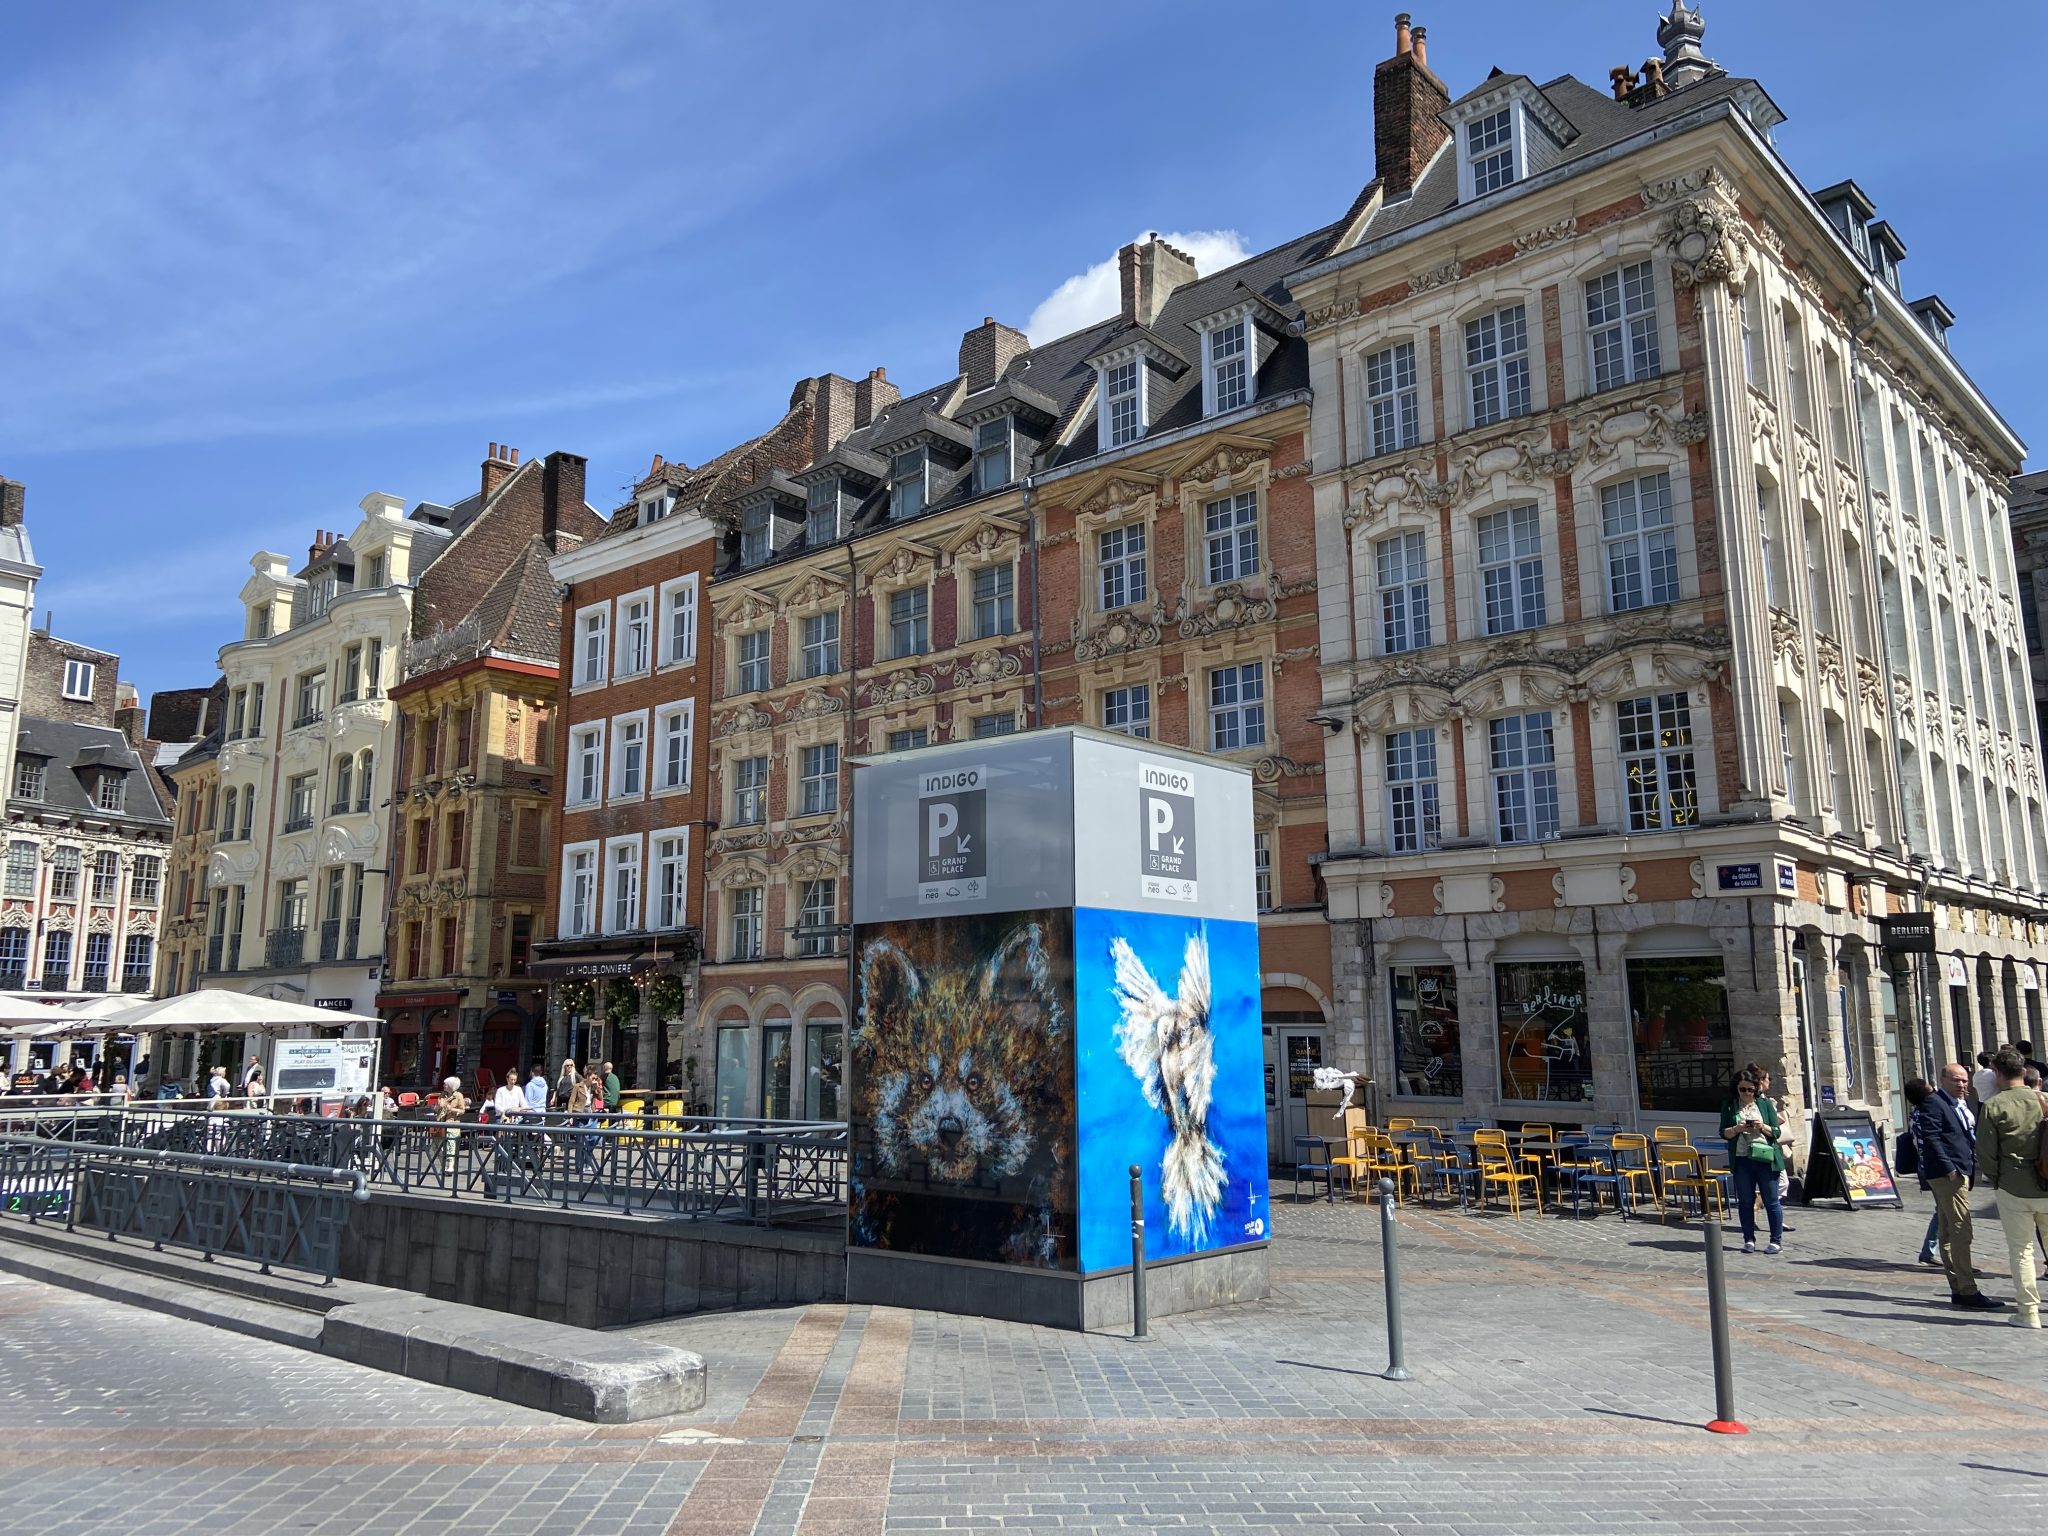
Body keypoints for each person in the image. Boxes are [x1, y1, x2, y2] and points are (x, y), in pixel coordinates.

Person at [1912, 1064, 2003, 1310]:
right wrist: (1950, 1169)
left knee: (1948, 1231)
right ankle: (1967, 1288)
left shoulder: (1956, 1103)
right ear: (1943, 1080)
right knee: (1961, 1229)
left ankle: (1959, 1287)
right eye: (1956, 1080)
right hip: (1949, 1176)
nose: (1962, 1084)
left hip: (1960, 1171)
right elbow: (1930, 1138)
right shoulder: (1934, 1103)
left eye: (1964, 1080)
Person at [1977, 1049, 2048, 1330]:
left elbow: (1985, 1152)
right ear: (2024, 1070)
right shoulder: (2043, 1099)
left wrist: (1997, 1178)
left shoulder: (1994, 1106)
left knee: (2021, 1251)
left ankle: (2028, 1313)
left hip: (2013, 1185)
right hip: (2046, 1183)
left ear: (1997, 1073)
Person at [1721, 1071, 1786, 1254]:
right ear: (1736, 1088)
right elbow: (1723, 1132)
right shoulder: (1730, 1105)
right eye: (1742, 1089)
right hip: (1742, 1159)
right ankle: (1748, 1240)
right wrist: (1737, 1128)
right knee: (1745, 1202)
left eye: (1751, 1089)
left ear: (1756, 1089)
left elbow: (1776, 1132)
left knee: (1771, 1201)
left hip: (1765, 1159)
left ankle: (1776, 1241)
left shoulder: (1765, 1104)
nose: (1747, 1093)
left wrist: (1761, 1126)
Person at [1903, 1079, 1944, 1266]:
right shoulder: (1926, 1113)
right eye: (1932, 1091)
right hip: (1933, 1167)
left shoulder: (1916, 1113)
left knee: (1942, 1209)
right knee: (1944, 1210)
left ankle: (1929, 1250)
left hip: (1926, 1165)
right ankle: (1930, 1251)